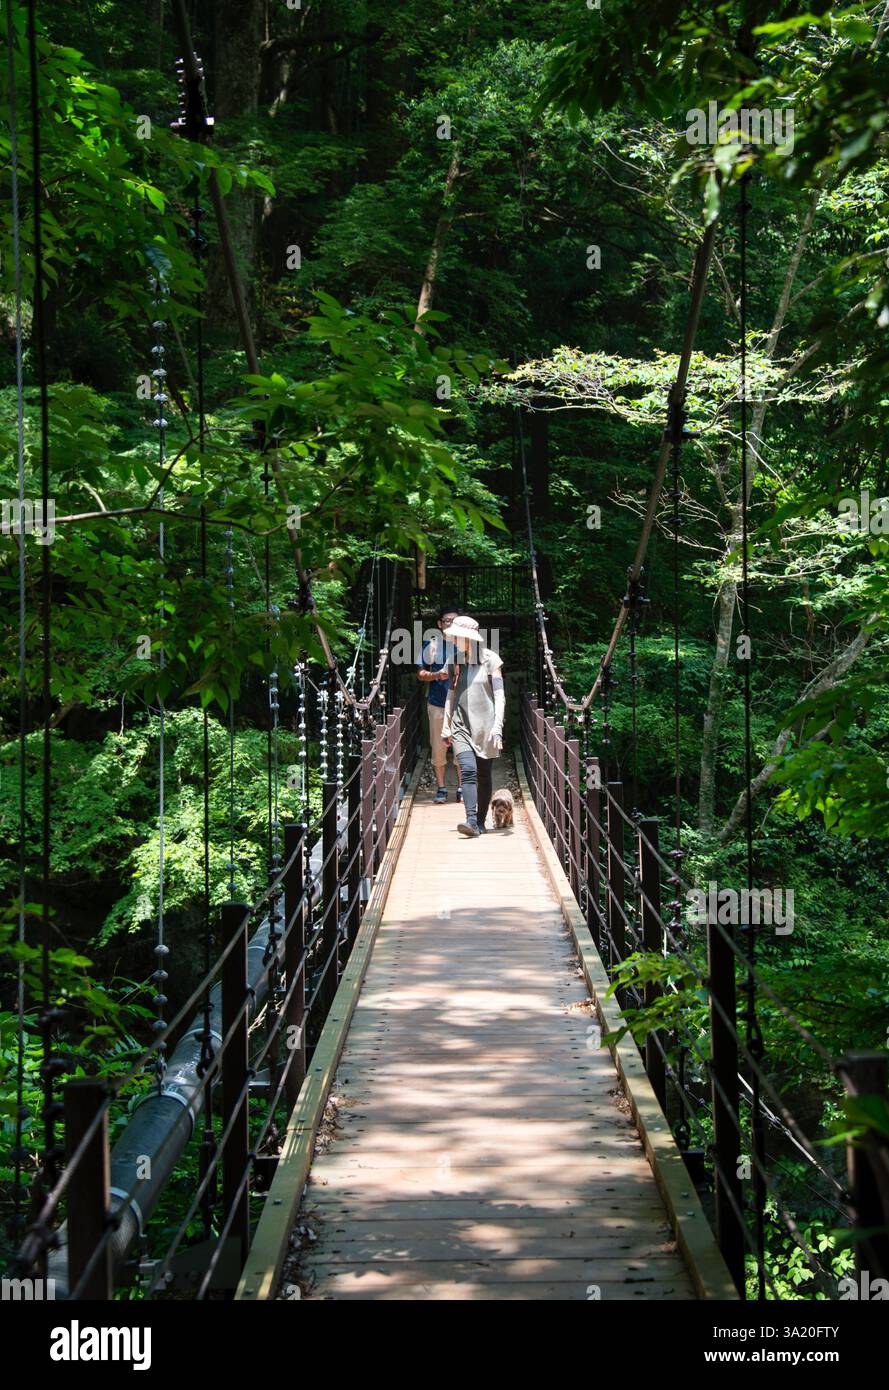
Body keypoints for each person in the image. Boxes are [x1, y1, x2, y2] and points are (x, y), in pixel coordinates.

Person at [440, 615, 505, 838]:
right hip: (460, 724)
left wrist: (497, 727)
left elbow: (500, 696)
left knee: (485, 775)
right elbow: (450, 694)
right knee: (468, 770)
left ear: (469, 638)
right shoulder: (454, 661)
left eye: (457, 635)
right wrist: (445, 726)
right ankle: (470, 821)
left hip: (485, 727)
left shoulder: (491, 660)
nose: (453, 639)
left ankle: (480, 819)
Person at [416, 605, 464, 804]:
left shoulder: (468, 645)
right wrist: (437, 675)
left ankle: (463, 788)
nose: (451, 624)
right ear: (439, 624)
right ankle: (442, 788)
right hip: (438, 704)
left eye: (455, 621)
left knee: (463, 748)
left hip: (462, 705)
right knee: (438, 748)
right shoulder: (432, 645)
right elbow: (420, 674)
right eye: (447, 621)